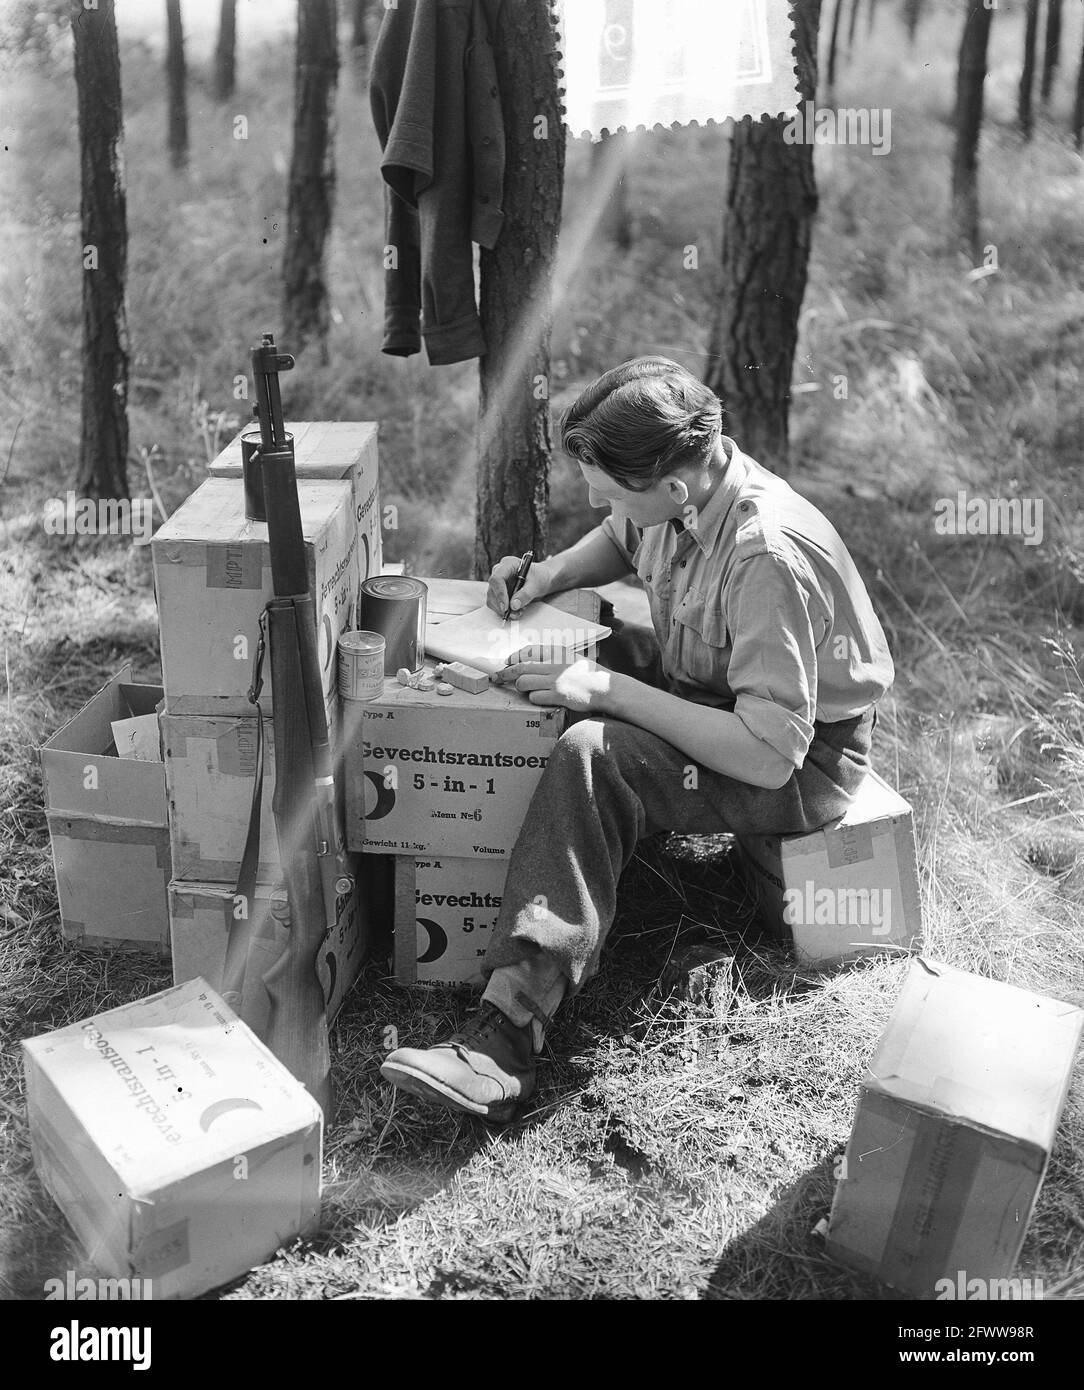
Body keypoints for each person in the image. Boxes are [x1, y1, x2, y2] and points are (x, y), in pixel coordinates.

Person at [381, 357, 894, 1122]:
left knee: (595, 756)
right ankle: (558, 864)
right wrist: (550, 574)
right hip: (715, 694)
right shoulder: (687, 485)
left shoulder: (765, 557)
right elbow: (625, 536)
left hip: (800, 761)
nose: (593, 501)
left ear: (675, 489)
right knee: (573, 657)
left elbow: (768, 751)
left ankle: (505, 1042)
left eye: (607, 489)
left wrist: (614, 694)